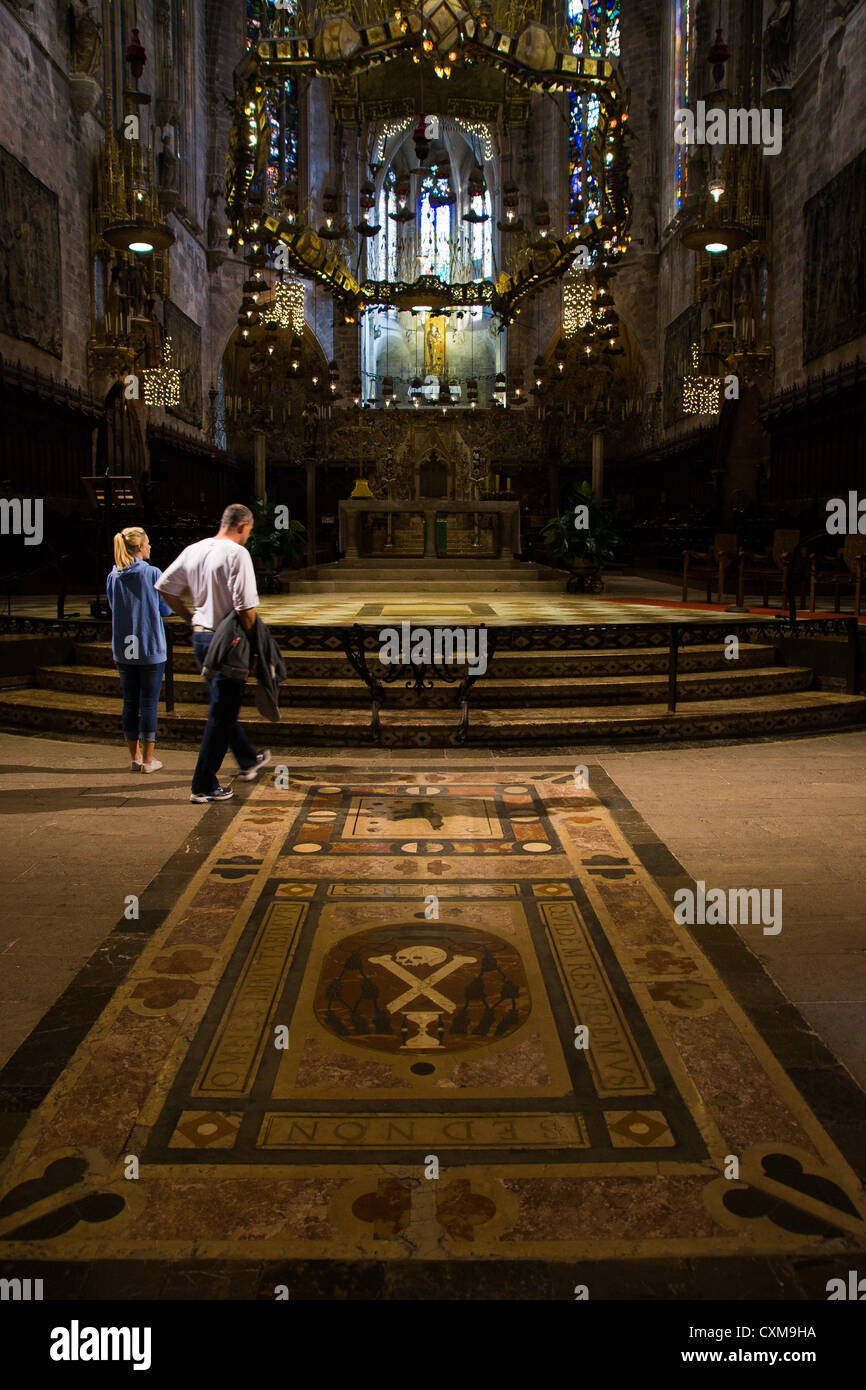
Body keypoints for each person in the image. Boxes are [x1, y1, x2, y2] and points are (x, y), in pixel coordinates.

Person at [156, 504, 270, 803]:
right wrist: (254, 648)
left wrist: (189, 616)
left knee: (223, 708)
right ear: (243, 526)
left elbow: (165, 588)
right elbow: (246, 610)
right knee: (220, 716)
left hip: (201, 638)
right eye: (250, 530)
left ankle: (247, 758)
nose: (248, 536)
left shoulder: (195, 549)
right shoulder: (237, 554)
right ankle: (202, 784)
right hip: (228, 642)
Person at [106, 527, 170, 774]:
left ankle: (135, 756)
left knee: (130, 702)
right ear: (140, 547)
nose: (151, 547)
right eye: (148, 544)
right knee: (149, 703)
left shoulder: (114, 576)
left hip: (124, 647)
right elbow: (165, 609)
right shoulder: (152, 573)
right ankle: (149, 761)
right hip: (149, 644)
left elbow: (114, 607)